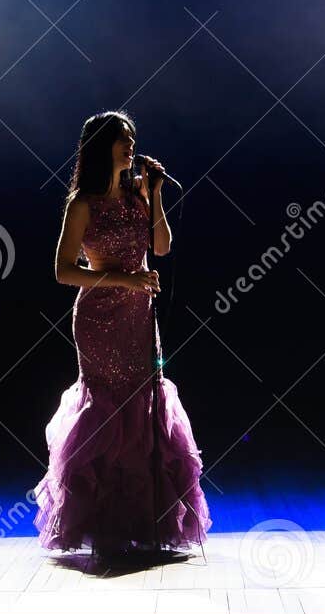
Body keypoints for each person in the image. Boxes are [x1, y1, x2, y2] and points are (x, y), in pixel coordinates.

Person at [32, 110, 212, 563]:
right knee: (106, 409)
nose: (131, 146)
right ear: (101, 146)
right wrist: (123, 280)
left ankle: (142, 522)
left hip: (139, 317)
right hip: (99, 318)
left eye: (132, 138)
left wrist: (155, 193)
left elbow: (162, 247)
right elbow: (63, 270)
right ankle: (101, 523)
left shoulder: (137, 194)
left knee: (144, 405)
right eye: (122, 139)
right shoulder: (83, 203)